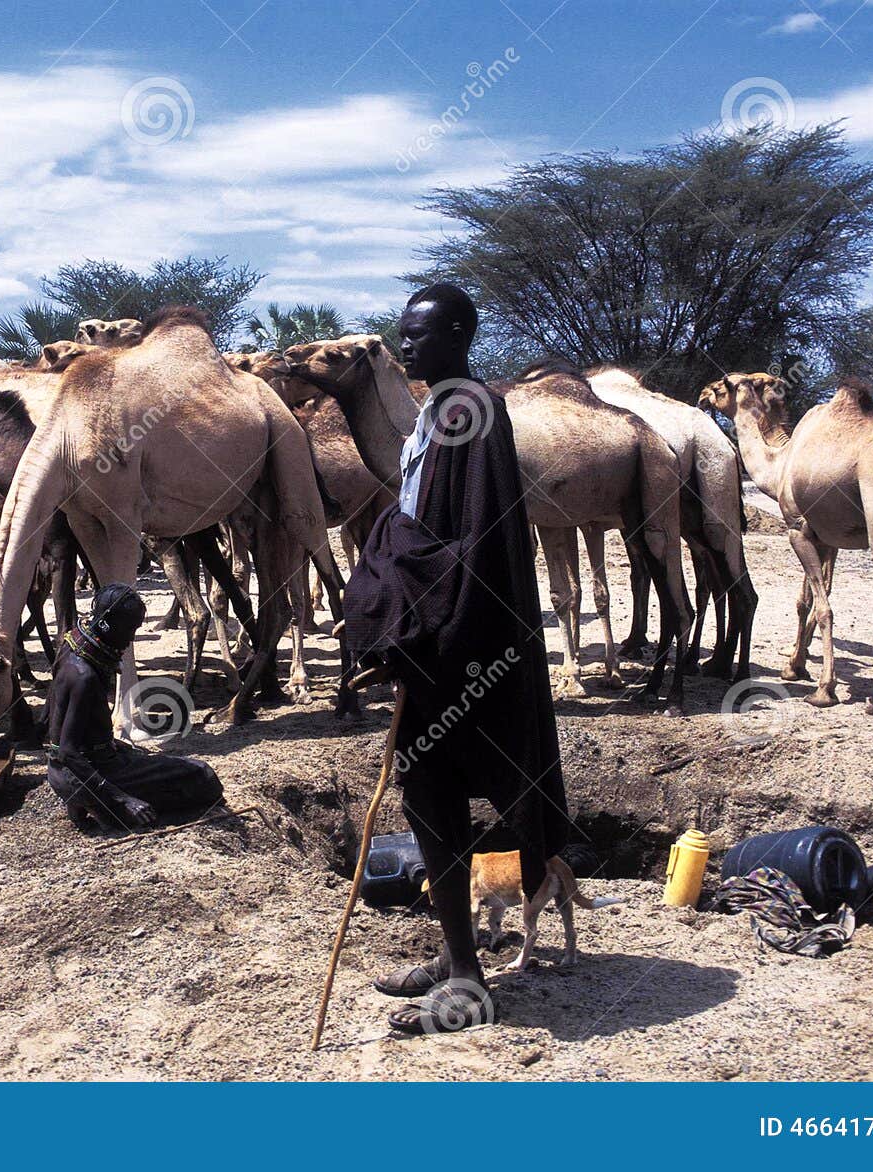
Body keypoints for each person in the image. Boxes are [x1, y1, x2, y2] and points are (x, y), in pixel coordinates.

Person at [343, 283, 570, 1034]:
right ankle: (455, 952)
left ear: (462, 334)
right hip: (435, 631)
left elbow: (469, 542)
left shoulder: (470, 413)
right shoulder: (438, 414)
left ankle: (467, 984)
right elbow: (421, 524)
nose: (406, 345)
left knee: (435, 795)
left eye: (422, 334)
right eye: (402, 334)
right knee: (426, 793)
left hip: (463, 641)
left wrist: (408, 601)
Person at [44, 583, 223, 831]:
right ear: (107, 624)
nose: (131, 638)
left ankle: (89, 802)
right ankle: (108, 808)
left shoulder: (70, 645)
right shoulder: (84, 677)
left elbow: (58, 725)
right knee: (204, 777)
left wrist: (111, 745)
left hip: (67, 769)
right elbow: (68, 753)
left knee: (153, 761)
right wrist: (123, 798)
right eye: (128, 629)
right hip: (81, 774)